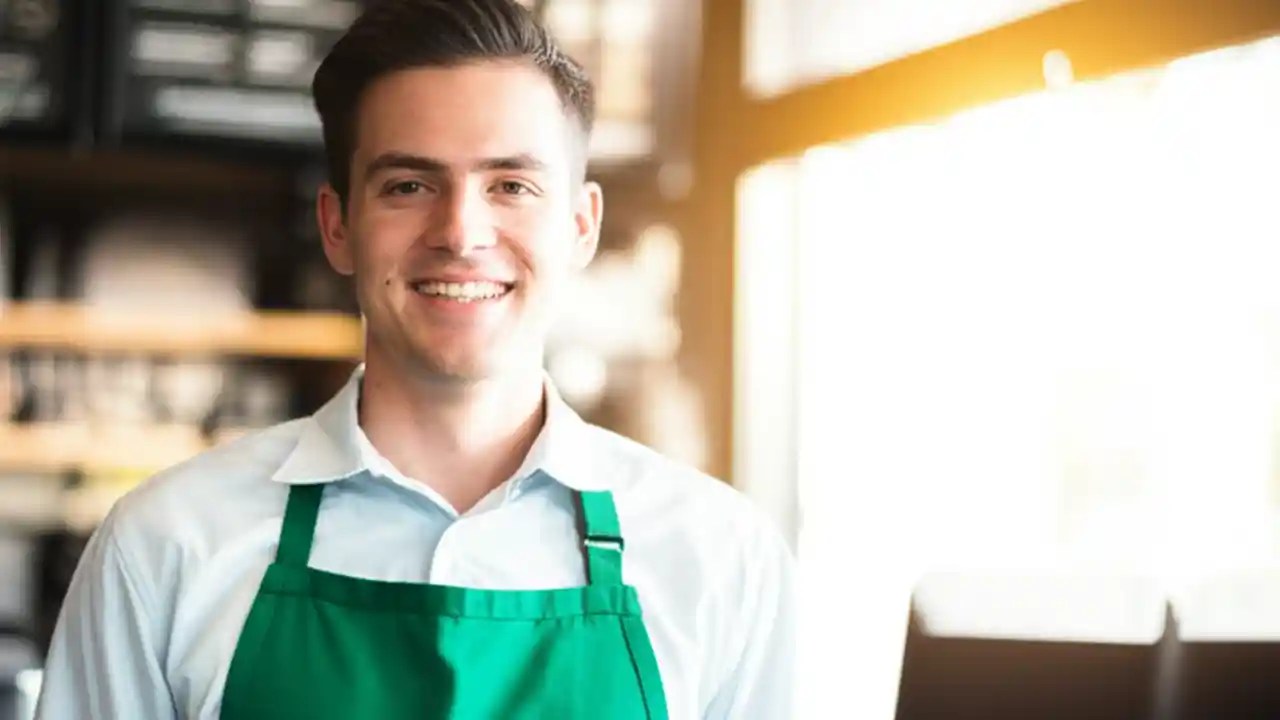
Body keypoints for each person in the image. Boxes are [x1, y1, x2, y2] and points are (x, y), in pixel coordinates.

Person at [34, 1, 795, 717]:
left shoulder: (720, 557)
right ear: (337, 226)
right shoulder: (165, 546)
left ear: (580, 226)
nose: (461, 231)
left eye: (511, 185)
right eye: (408, 184)